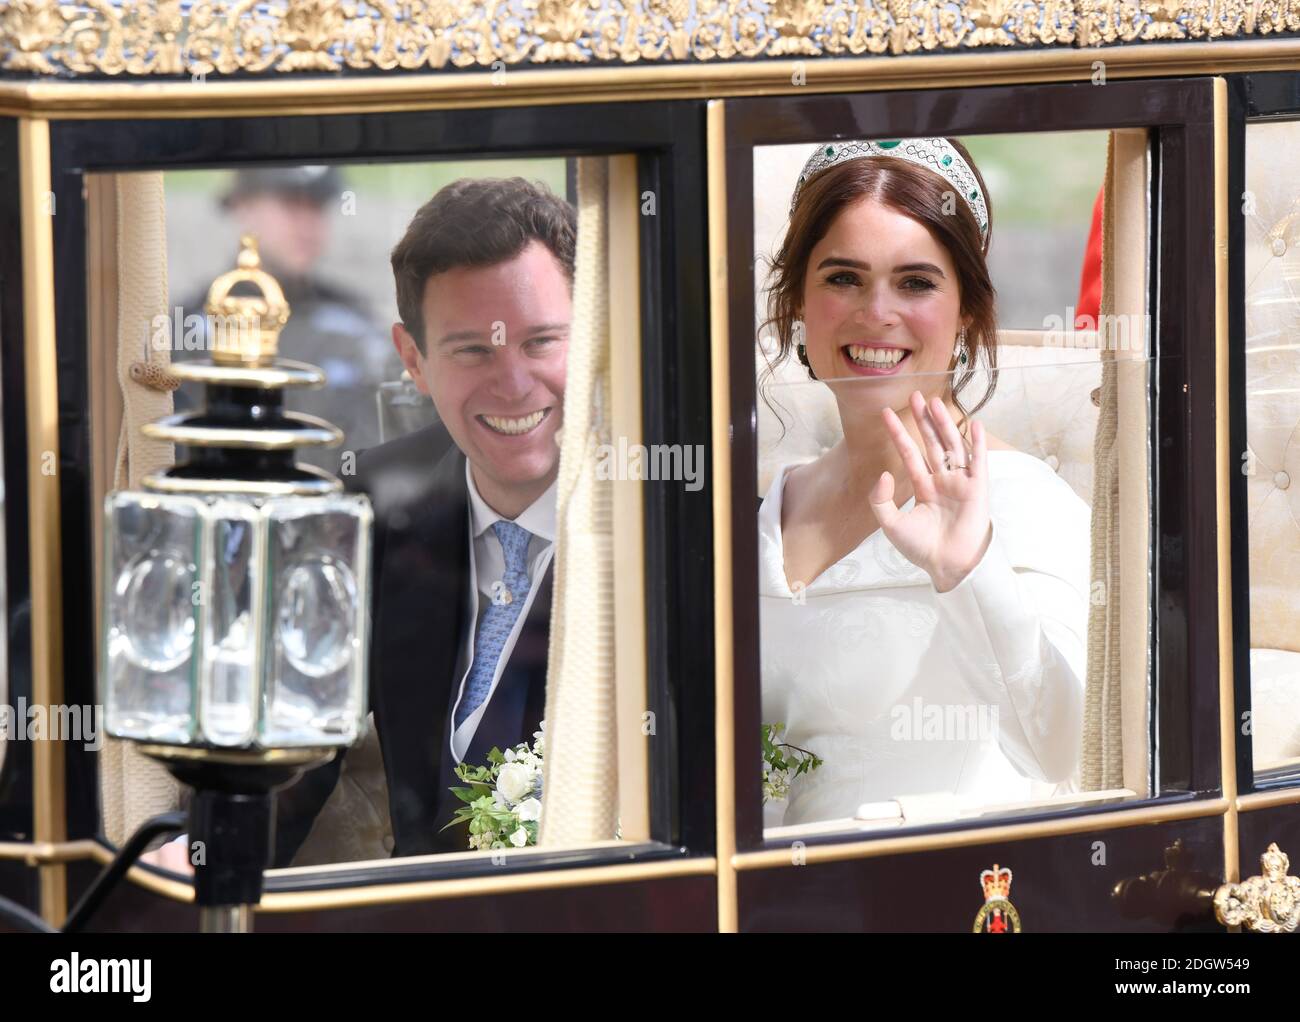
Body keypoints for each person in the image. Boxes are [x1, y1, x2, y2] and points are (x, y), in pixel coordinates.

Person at [758, 138, 1091, 827]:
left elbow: (1057, 750)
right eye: (843, 278)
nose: (877, 313)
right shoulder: (769, 506)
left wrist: (967, 569)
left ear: (968, 310)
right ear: (797, 302)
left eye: (916, 283)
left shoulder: (1027, 502)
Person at [267, 176, 574, 862]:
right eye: (473, 350)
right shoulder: (370, 505)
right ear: (415, 361)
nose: (514, 384)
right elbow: (290, 763)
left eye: (541, 342)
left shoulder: (662, 517)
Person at [174, 166, 406, 471]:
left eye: (317, 207)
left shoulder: (360, 332)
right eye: (291, 205)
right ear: (244, 206)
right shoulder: (187, 331)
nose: (307, 224)